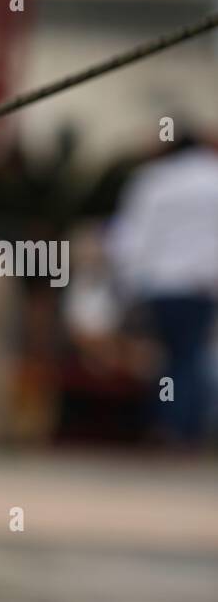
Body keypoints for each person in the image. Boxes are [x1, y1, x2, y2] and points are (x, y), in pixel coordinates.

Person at [106, 133, 218, 445]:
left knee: (172, 359)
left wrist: (127, 285)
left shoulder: (153, 180)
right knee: (189, 357)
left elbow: (129, 239)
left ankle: (170, 424)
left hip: (160, 285)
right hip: (199, 285)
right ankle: (182, 428)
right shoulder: (213, 178)